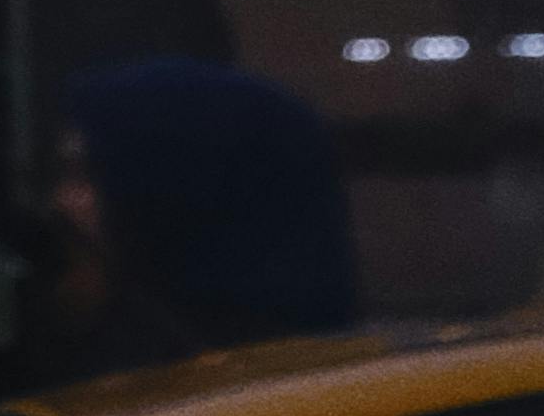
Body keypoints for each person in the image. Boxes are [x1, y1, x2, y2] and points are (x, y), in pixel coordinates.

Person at [30, 56, 357, 375]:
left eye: (86, 175)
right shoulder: (323, 381)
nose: (60, 202)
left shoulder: (176, 388)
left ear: (171, 192)